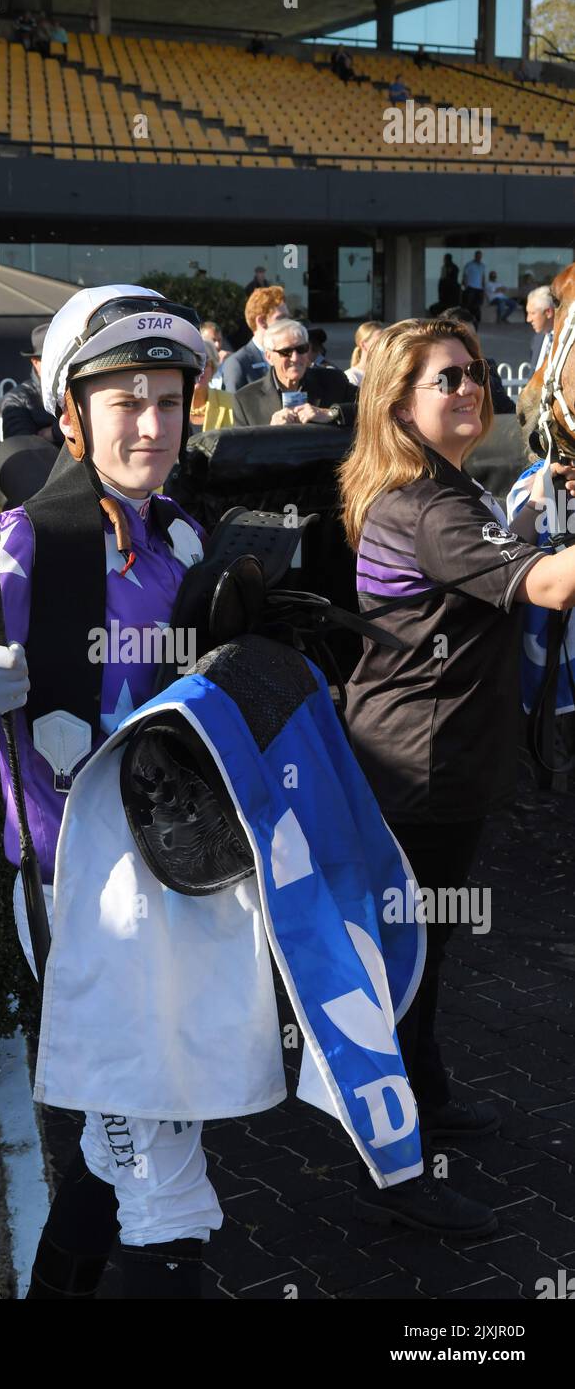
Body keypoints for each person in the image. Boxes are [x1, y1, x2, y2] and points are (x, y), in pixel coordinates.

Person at [0, 285, 430, 1294]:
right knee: (164, 1195)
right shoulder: (26, 544)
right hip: (81, 903)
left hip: (185, 887)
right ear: (72, 414)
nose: (148, 423)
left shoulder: (183, 533)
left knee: (112, 1156)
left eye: (167, 401)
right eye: (124, 400)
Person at [339, 315, 575, 1233]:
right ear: (398, 402)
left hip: (436, 765)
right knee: (400, 967)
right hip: (417, 773)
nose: (472, 388)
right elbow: (547, 586)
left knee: (422, 956)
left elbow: (502, 556)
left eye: (475, 373)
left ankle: (424, 1096)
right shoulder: (427, 506)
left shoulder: (445, 489)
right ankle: (396, 1173)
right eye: (449, 379)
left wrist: (532, 507)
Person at [231, 318, 357, 429]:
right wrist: (269, 431)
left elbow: (370, 408)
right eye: (286, 352)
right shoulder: (246, 400)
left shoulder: (333, 381)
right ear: (269, 357)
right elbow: (241, 451)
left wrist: (331, 414)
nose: (295, 358)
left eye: (301, 349)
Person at [437, 306, 515, 414]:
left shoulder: (487, 366)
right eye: (463, 339)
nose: (471, 344)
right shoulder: (438, 373)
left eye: (473, 337)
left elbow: (506, 408)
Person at [0, 322, 63, 446]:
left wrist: (55, 432)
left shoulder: (77, 388)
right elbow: (22, 448)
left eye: (62, 357)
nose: (60, 363)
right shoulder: (17, 399)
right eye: (53, 358)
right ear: (35, 362)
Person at [220, 286, 288, 393]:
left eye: (288, 318)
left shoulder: (290, 356)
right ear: (261, 321)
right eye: (281, 318)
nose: (288, 324)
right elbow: (235, 408)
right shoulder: (237, 363)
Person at [188, 338, 233, 432]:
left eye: (204, 363)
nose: (200, 370)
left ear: (213, 368)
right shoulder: (170, 404)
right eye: (192, 363)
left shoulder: (230, 403)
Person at [344, 320, 383, 386]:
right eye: (379, 341)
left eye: (385, 340)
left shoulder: (385, 373)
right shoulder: (352, 376)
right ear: (363, 345)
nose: (384, 344)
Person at [526, 286, 555, 373]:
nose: (528, 319)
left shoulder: (566, 342)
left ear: (548, 312)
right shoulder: (537, 340)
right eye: (527, 313)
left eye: (533, 313)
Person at [461, 250, 486, 319]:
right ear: (475, 256)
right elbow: (465, 275)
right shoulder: (469, 264)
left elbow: (483, 276)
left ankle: (476, 317)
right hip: (471, 287)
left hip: (479, 288)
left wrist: (483, 287)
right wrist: (465, 286)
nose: (479, 257)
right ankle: (467, 317)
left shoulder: (482, 266)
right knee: (469, 303)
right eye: (478, 256)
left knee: (477, 304)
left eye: (480, 256)